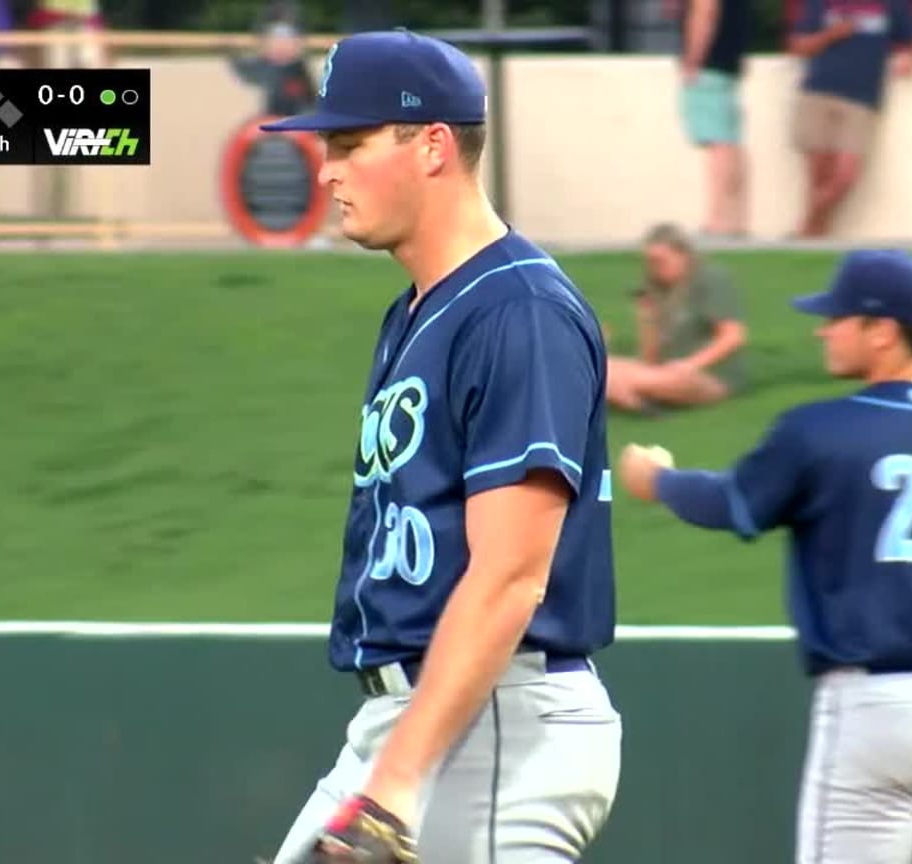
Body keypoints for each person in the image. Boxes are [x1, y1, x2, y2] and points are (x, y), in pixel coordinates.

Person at [256, 29, 623, 864]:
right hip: (419, 725)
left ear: (431, 146)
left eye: (348, 143)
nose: (326, 170)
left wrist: (393, 789)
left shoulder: (516, 311)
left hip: (494, 725)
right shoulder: (419, 313)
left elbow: (509, 575)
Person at [615, 250, 912, 863]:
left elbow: (729, 503)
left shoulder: (820, 432)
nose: (823, 327)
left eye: (838, 316)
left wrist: (656, 479)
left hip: (880, 714)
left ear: (882, 331)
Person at [788, 0, 912, 237]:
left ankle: (805, 228)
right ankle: (815, 239)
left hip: (861, 99)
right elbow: (798, 47)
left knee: (846, 176)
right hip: (818, 92)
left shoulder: (891, 4)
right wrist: (831, 35)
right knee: (817, 177)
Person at [605, 223, 748, 414]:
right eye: (650, 262)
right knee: (595, 368)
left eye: (660, 261)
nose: (654, 268)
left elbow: (733, 336)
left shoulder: (711, 279)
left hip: (708, 374)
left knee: (626, 378)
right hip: (662, 370)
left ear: (683, 256)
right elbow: (649, 358)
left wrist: (689, 365)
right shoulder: (655, 286)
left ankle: (638, 399)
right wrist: (647, 319)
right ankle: (642, 403)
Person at [678, 0, 753, 237]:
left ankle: (718, 221)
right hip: (728, 66)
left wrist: (692, 61)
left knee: (718, 143)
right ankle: (736, 219)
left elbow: (704, 13)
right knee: (730, 143)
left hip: (709, 67)